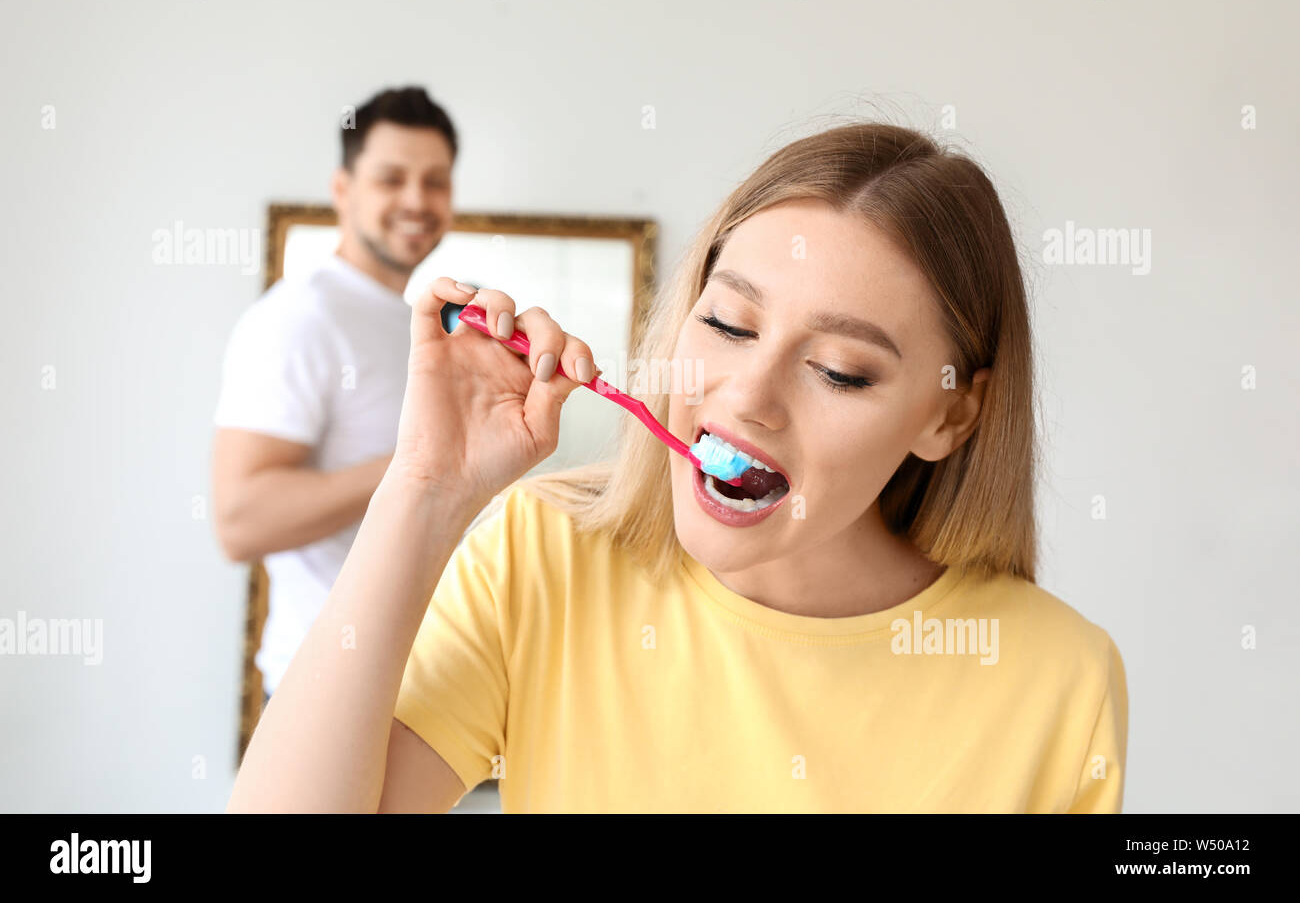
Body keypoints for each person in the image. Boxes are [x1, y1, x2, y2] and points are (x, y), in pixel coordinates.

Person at [227, 122, 1129, 813]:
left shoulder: (1057, 676)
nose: (747, 396)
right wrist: (424, 489)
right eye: (729, 324)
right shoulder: (544, 560)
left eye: (839, 371)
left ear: (949, 412)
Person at [211, 87, 458, 705]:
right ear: (343, 190)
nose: (415, 200)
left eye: (435, 181)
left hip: (414, 686)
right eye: (391, 178)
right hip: (322, 689)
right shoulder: (300, 318)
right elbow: (239, 518)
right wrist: (423, 461)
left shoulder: (405, 320)